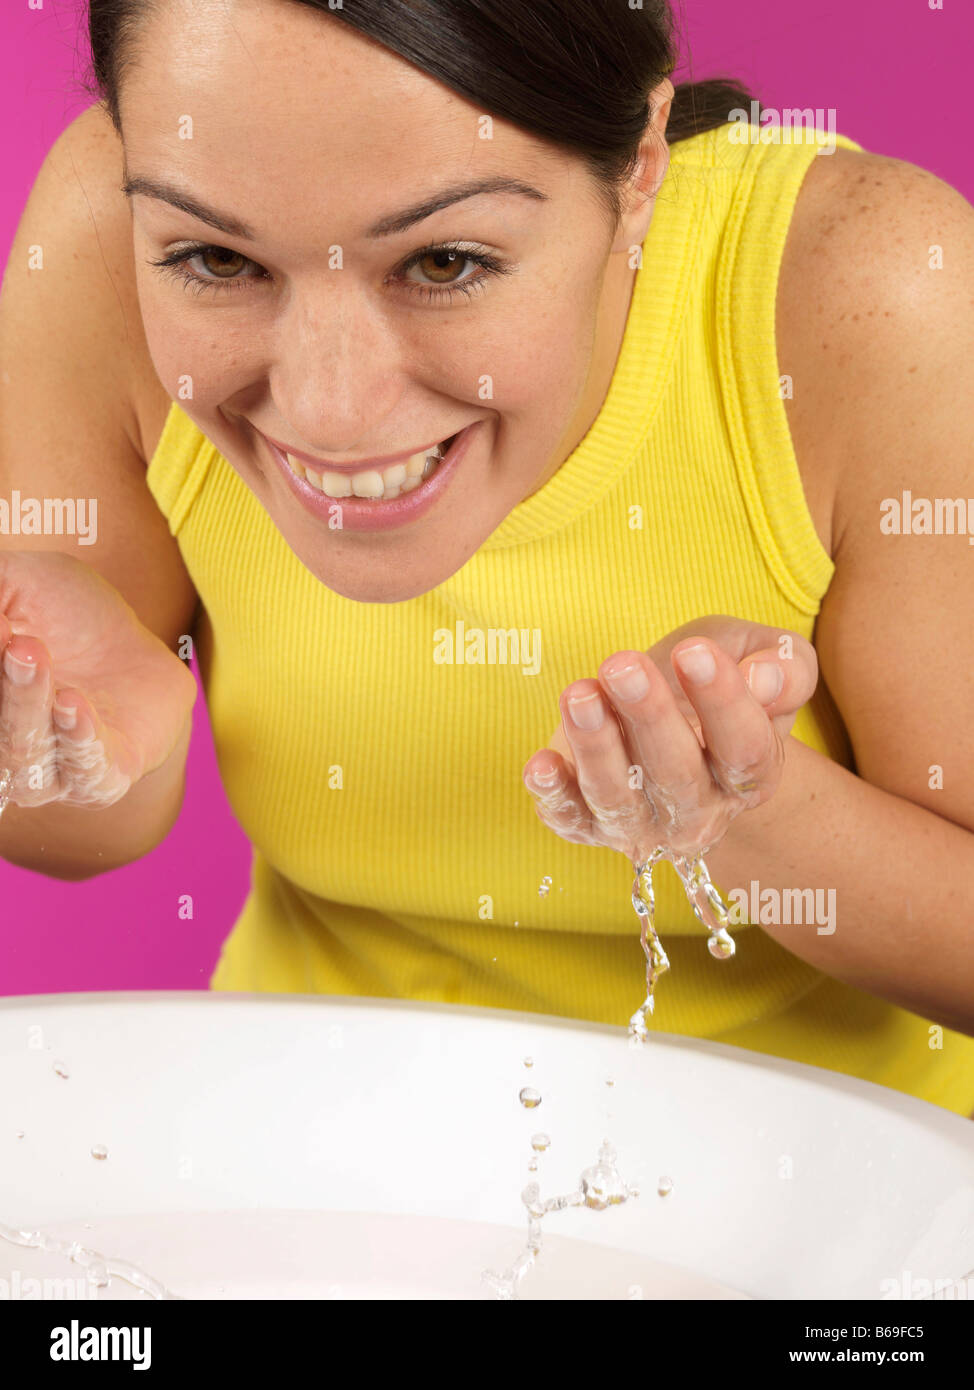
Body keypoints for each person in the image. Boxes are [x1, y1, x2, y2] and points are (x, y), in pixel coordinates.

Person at [1, 1, 972, 1116]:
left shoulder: (868, 291)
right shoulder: (107, 221)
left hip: (823, 1206)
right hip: (301, 1163)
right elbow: (81, 815)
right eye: (217, 259)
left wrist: (745, 807)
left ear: (640, 167)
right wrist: (79, 734)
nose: (329, 409)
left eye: (445, 260)